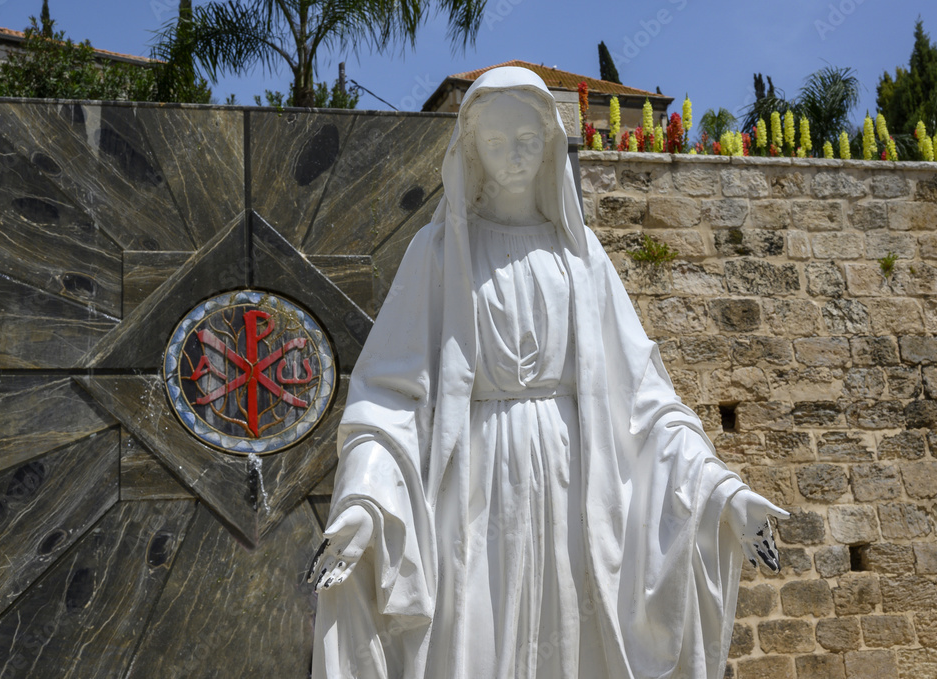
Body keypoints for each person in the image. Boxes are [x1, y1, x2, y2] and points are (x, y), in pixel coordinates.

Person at [308, 66, 786, 679]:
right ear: (473, 148)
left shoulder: (582, 259)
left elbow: (645, 400)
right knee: (475, 627)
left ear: (550, 145)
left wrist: (721, 491)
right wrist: (365, 500)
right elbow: (387, 396)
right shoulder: (437, 254)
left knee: (572, 634)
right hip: (475, 479)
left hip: (574, 478)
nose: (513, 155)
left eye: (526, 141)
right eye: (497, 142)